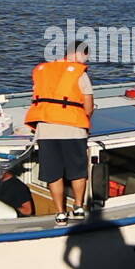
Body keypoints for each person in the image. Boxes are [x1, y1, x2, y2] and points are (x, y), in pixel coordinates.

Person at [24, 41, 95, 226]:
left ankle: (60, 213)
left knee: (53, 173)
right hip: (73, 130)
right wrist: (85, 120)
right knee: (78, 171)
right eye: (86, 56)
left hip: (46, 130)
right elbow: (88, 105)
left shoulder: (42, 71)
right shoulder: (79, 73)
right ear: (80, 54)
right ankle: (78, 207)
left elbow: (36, 97)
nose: (86, 60)